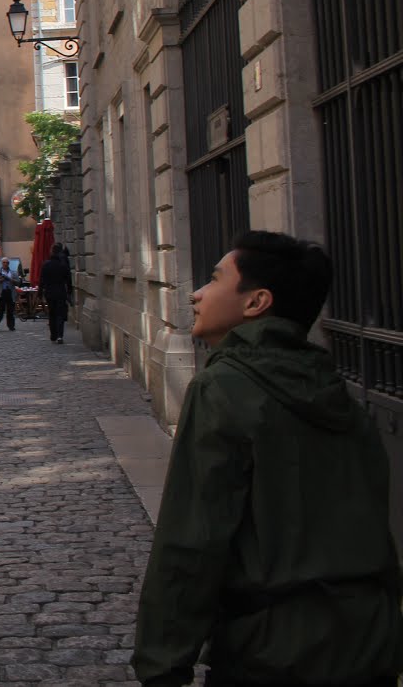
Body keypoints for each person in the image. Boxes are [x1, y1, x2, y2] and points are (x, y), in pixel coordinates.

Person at [134, 231, 403, 687]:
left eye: (216, 279)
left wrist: (162, 664)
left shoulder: (223, 388)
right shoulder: (338, 391)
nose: (197, 293)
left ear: (256, 302)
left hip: (275, 650)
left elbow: (192, 538)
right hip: (370, 638)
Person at [38, 245, 72, 344]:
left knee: (52, 314)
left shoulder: (46, 264)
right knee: (60, 314)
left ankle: (53, 334)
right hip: (61, 292)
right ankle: (60, 336)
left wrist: (40, 292)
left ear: (52, 252)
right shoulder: (63, 265)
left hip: (49, 292)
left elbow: (42, 280)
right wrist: (69, 291)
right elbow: (68, 280)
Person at [0, 261, 17, 331]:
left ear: (8, 264)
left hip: (10, 292)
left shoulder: (12, 272)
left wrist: (11, 280)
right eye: (4, 262)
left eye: (7, 262)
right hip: (0, 293)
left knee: (10, 310)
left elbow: (18, 282)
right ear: (2, 264)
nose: (5, 264)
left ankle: (11, 326)